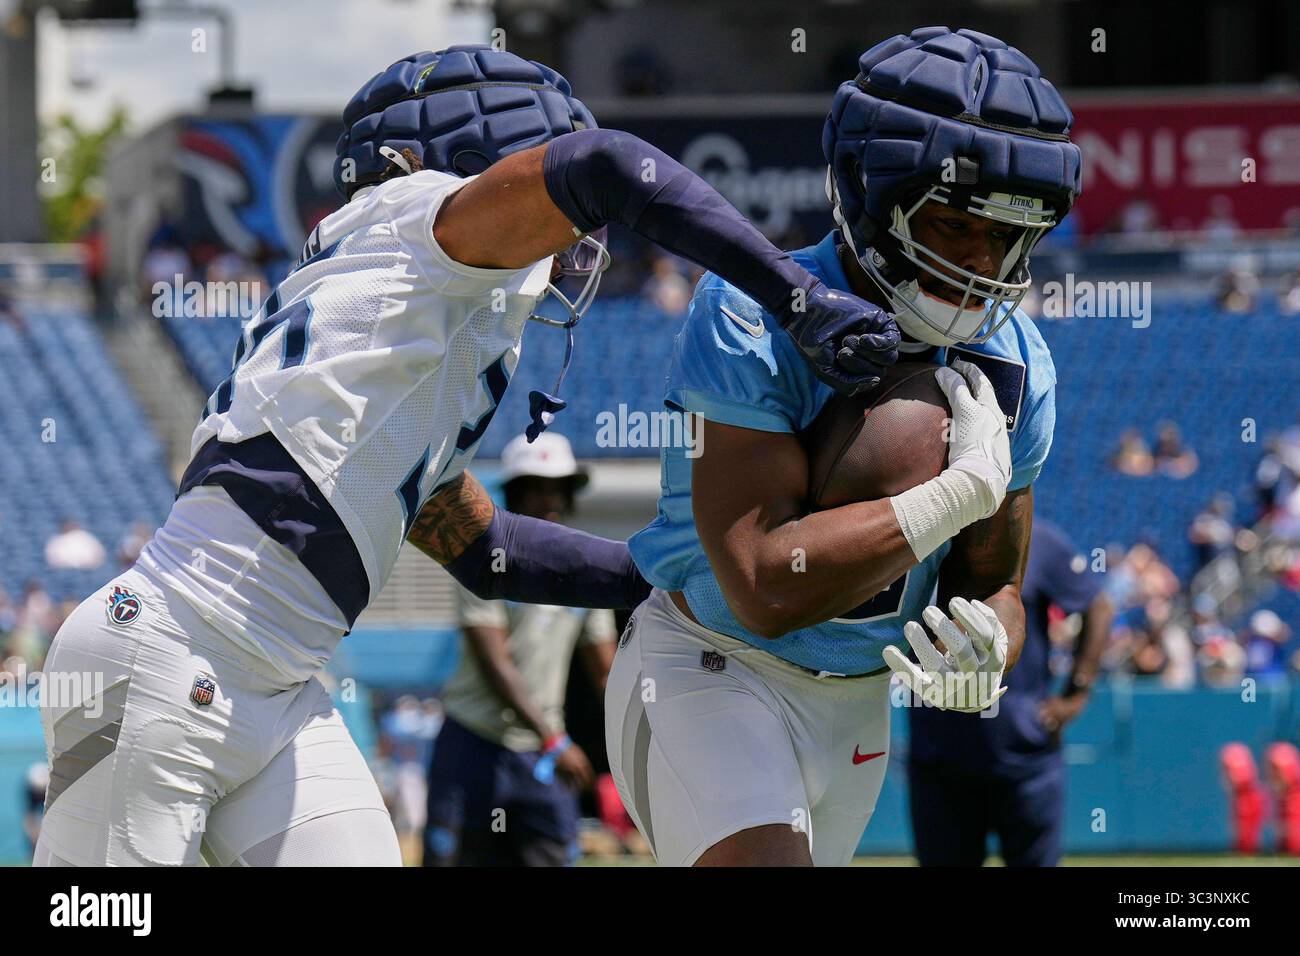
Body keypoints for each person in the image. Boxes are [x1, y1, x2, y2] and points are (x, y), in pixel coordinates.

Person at [34, 45, 898, 868]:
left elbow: (485, 552)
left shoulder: (399, 330)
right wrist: (799, 298)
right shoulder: (406, 222)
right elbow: (603, 169)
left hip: (277, 688)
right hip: (168, 658)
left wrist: (668, 582)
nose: (569, 246)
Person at [606, 26, 1082, 866]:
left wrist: (989, 645)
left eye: (1007, 235)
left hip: (859, 711)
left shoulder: (1020, 361)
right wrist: (954, 492)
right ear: (872, 191)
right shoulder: (750, 311)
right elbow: (763, 584)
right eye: (952, 226)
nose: (982, 263)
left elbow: (993, 580)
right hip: (716, 670)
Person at [425, 432, 616, 866]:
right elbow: (497, 665)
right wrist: (553, 740)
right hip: (473, 744)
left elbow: (606, 672)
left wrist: (642, 743)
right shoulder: (481, 558)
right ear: (515, 492)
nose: (549, 499)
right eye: (536, 487)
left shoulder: (583, 569)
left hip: (542, 757)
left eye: (558, 488)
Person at [908, 519, 1112, 866]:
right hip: (939, 755)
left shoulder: (1040, 541)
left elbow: (1098, 606)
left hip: (1023, 754)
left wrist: (1076, 692)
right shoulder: (919, 536)